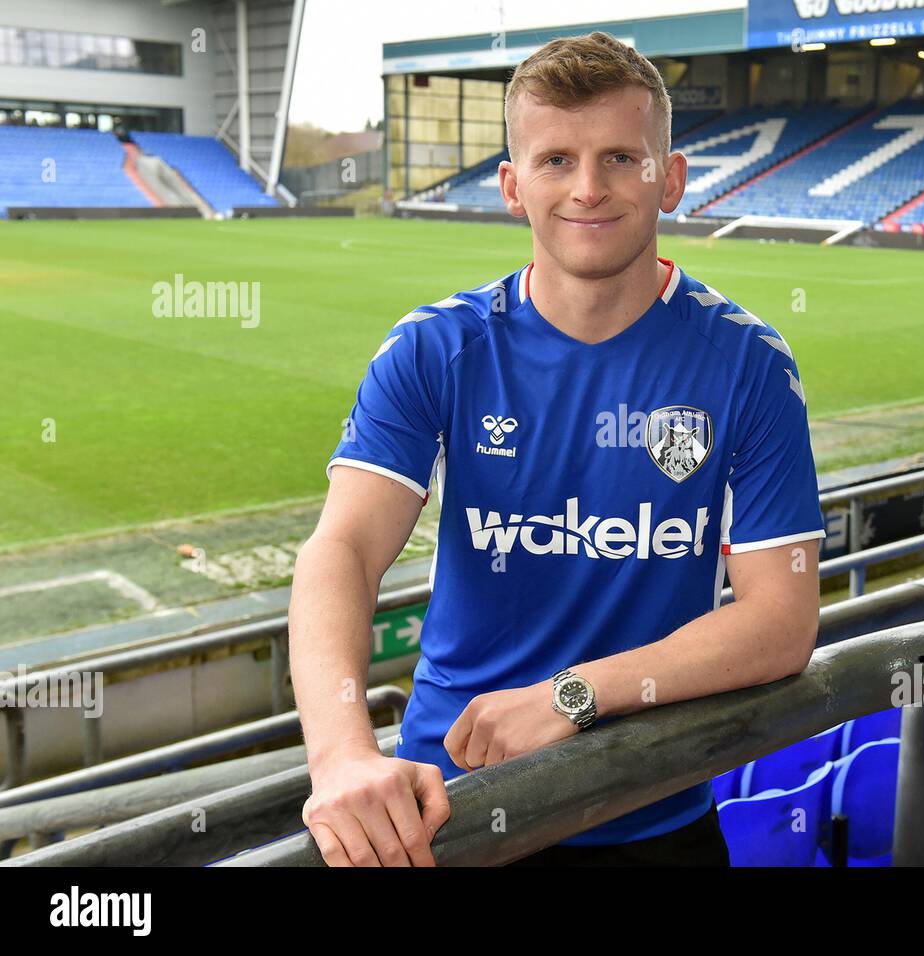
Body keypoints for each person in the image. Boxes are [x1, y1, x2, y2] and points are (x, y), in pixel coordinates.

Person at [289, 30, 825, 867]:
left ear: (670, 178)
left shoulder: (748, 363)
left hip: (651, 810)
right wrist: (342, 755)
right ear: (513, 186)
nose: (587, 188)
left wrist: (573, 695)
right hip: (449, 813)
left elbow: (781, 620)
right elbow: (343, 550)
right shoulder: (435, 348)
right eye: (555, 161)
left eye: (621, 158)